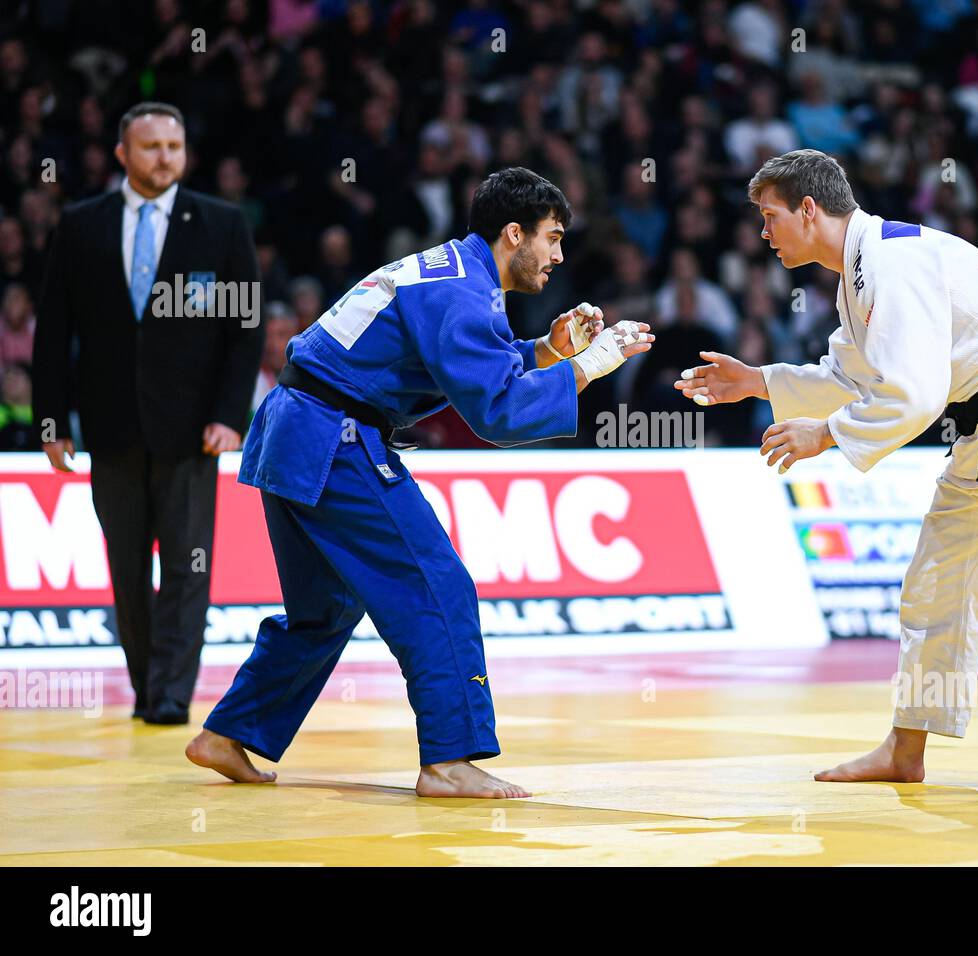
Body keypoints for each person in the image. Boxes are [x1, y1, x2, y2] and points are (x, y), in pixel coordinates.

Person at [676, 149, 978, 798]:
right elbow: (850, 376)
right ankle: (906, 747)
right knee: (935, 589)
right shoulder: (860, 273)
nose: (764, 233)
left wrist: (828, 435)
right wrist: (759, 382)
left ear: (810, 211)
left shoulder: (890, 261)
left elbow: (915, 396)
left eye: (770, 216)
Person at [186, 168, 653, 799]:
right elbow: (497, 410)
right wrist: (591, 367)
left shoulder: (452, 273)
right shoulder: (462, 290)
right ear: (514, 233)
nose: (559, 254)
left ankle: (228, 733)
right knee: (438, 585)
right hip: (336, 439)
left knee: (323, 609)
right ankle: (449, 759)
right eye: (553, 237)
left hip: (295, 431)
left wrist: (549, 348)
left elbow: (475, 363)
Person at [32, 102, 263, 725]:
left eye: (174, 145)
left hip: (193, 433)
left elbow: (244, 331)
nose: (165, 156)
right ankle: (146, 684)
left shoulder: (221, 223)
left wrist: (228, 414)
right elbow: (53, 331)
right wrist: (50, 422)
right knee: (126, 569)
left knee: (188, 569)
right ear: (121, 154)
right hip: (109, 430)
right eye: (151, 146)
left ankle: (170, 695)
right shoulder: (82, 224)